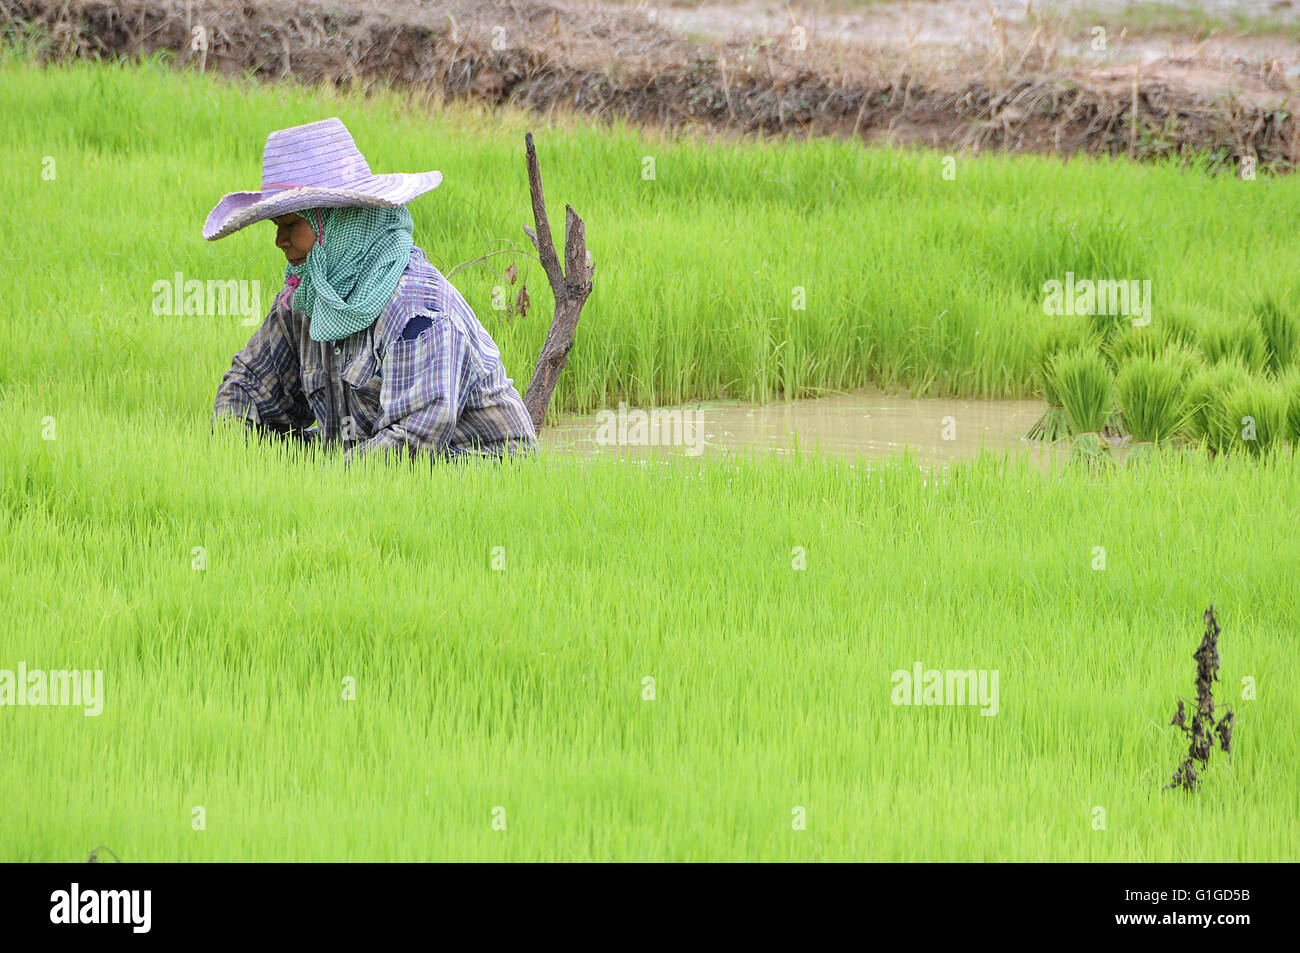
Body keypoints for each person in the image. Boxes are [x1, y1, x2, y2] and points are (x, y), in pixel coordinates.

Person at [204, 117, 537, 465]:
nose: (279, 241)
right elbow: (247, 384)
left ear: (337, 223)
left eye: (291, 225)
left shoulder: (416, 311)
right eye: (278, 226)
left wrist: (320, 491)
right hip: (362, 460)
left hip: (469, 470)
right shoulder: (307, 299)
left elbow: (413, 441)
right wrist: (235, 456)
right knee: (278, 452)